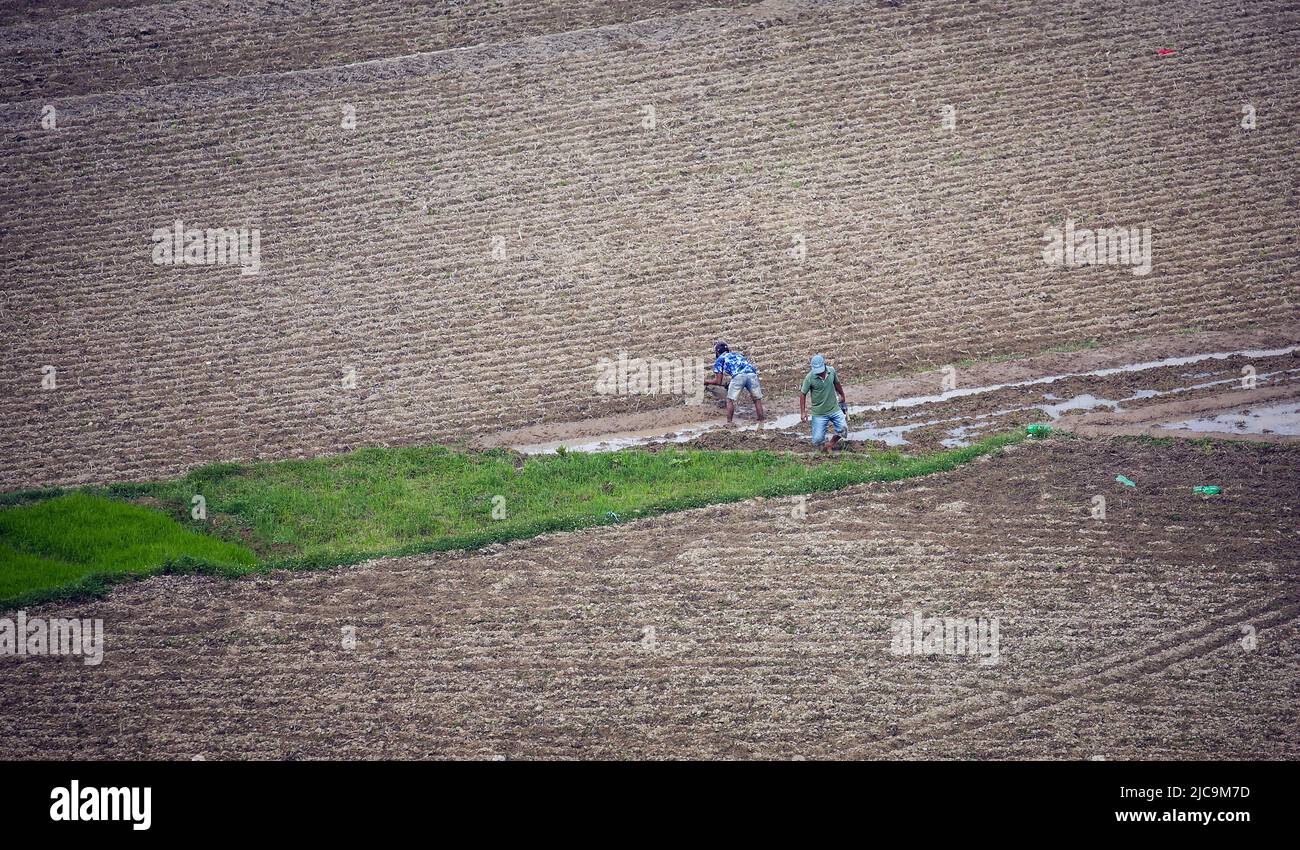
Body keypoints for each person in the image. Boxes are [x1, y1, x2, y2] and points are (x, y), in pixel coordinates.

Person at [704, 342, 765, 424]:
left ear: (717, 352)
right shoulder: (737, 354)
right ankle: (761, 421)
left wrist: (706, 382)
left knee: (730, 400)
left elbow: (718, 381)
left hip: (739, 376)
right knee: (757, 399)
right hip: (752, 374)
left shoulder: (720, 359)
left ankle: (729, 423)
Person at [799, 354, 847, 452]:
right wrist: (803, 412)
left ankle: (830, 444)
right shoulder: (810, 377)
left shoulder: (831, 371)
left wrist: (842, 395)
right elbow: (803, 394)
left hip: (834, 408)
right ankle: (823, 443)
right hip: (819, 413)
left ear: (824, 365)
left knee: (843, 429)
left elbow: (837, 383)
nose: (820, 373)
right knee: (817, 440)